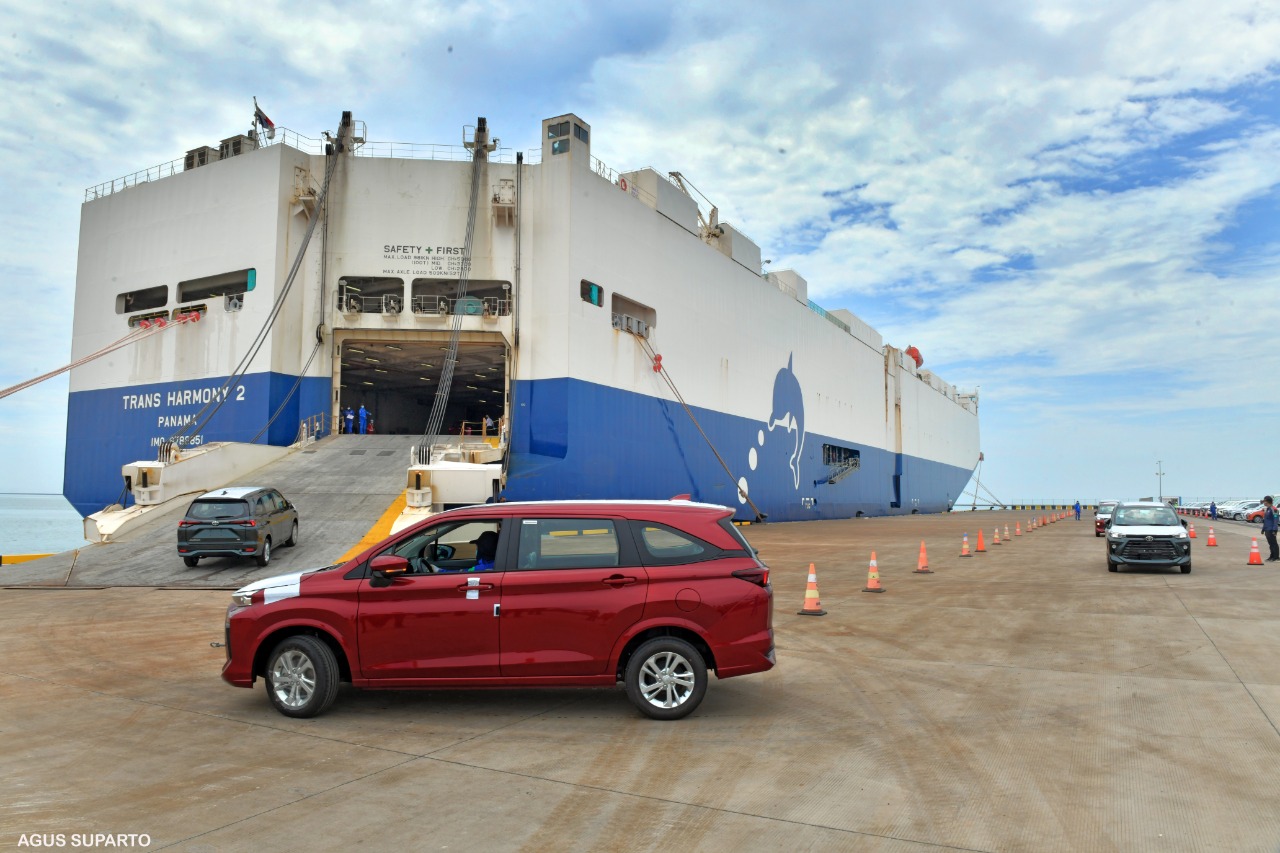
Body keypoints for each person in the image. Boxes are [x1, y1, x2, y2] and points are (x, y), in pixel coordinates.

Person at [1262, 496, 1279, 562]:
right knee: (1270, 544)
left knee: (1274, 543)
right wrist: (1263, 529)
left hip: (1272, 529)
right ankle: (1272, 556)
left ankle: (1276, 557)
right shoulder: (1268, 509)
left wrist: (1274, 529)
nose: (1264, 502)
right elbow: (1266, 520)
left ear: (1268, 501)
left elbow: (1275, 520)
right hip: (1267, 529)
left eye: (1264, 501)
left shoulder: (1274, 509)